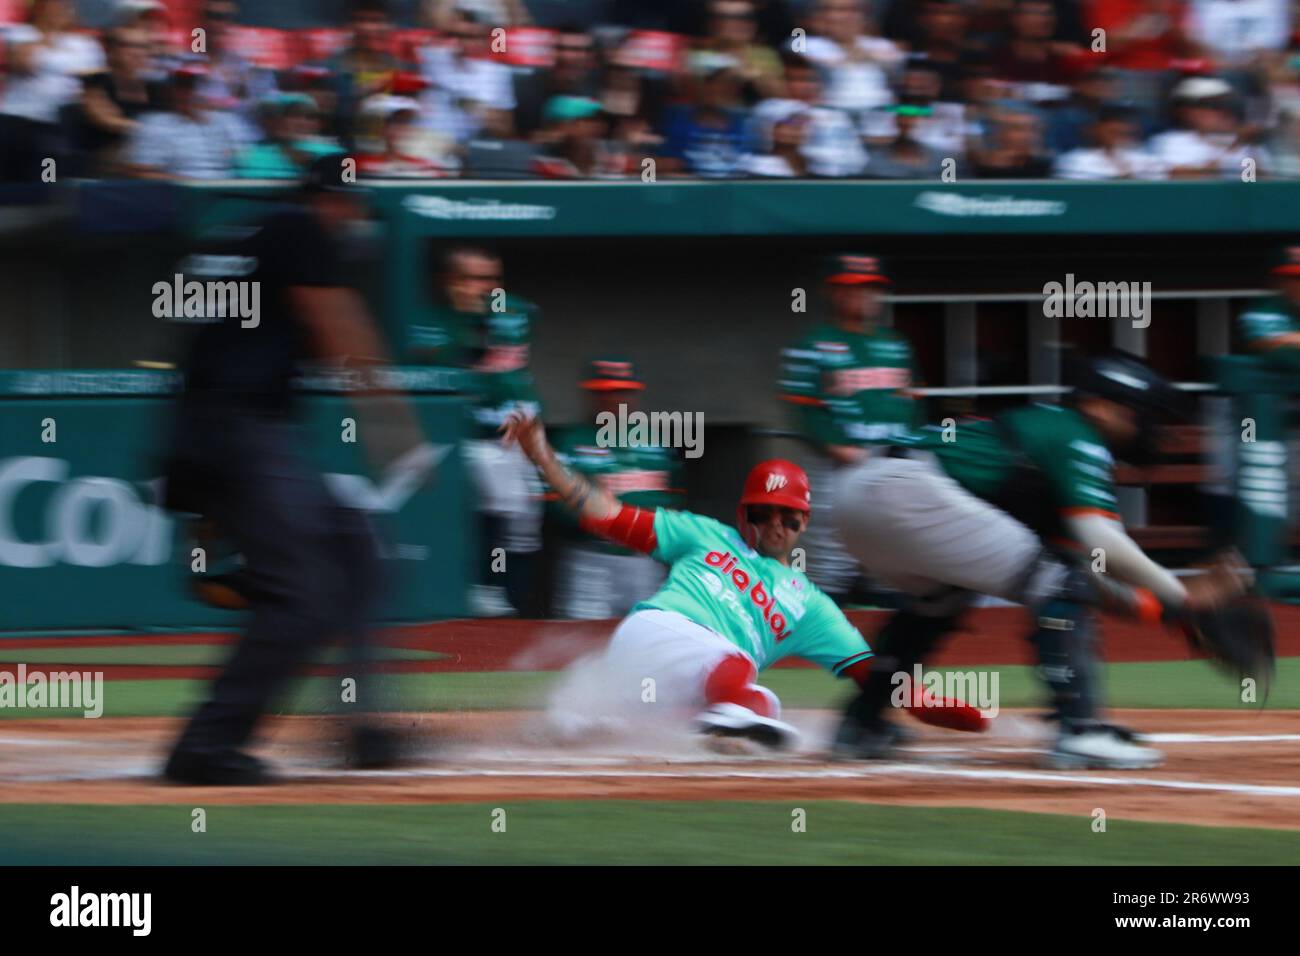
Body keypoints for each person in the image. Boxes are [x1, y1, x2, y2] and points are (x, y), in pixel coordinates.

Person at [829, 351, 1247, 769]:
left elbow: (1092, 575)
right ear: (1099, 406)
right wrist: (1182, 597)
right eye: (1138, 414)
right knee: (1057, 583)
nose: (1147, 427)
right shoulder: (1076, 432)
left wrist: (1169, 612)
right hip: (905, 491)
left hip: (859, 497)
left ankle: (861, 723)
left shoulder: (1051, 435)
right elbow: (1104, 547)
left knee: (937, 604)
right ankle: (1080, 730)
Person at [160, 153, 434, 785]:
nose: (354, 223)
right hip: (244, 431)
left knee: (357, 548)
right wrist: (396, 431)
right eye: (352, 208)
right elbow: (338, 325)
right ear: (331, 202)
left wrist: (200, 528)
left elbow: (203, 357)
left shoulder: (239, 235)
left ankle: (362, 725)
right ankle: (205, 747)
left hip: (212, 434)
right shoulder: (298, 228)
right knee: (303, 596)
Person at [504, 413, 875, 749]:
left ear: (805, 521)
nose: (776, 524)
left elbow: (874, 674)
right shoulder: (704, 533)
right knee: (736, 667)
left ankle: (600, 727)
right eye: (765, 512)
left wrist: (932, 708)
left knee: (763, 705)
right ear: (745, 513)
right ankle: (723, 714)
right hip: (656, 632)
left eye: (789, 515)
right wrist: (543, 455)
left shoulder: (812, 606)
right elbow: (606, 514)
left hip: (686, 684)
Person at [406, 246, 544, 616]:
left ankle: (516, 603)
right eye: (472, 278)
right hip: (475, 432)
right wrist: (472, 328)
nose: (485, 287)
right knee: (492, 511)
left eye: (492, 278)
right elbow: (440, 362)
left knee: (526, 524)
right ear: (450, 281)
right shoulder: (433, 323)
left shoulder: (514, 309)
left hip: (523, 429)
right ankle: (486, 590)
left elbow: (527, 317)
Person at [778, 254, 918, 605]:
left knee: (891, 553)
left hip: (891, 461)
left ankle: (888, 645)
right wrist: (833, 445)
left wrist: (913, 449)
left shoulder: (895, 344)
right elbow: (801, 404)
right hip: (840, 462)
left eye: (871, 290)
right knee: (832, 556)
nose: (864, 298)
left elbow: (914, 403)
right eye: (853, 290)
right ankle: (815, 642)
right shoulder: (815, 343)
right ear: (834, 294)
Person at [550, 358, 682, 619]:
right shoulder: (572, 443)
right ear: (591, 396)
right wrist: (595, 515)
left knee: (646, 638)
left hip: (643, 562)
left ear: (635, 395)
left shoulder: (656, 443)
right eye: (605, 393)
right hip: (591, 559)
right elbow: (555, 505)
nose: (614, 400)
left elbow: (674, 501)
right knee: (581, 639)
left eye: (622, 392)